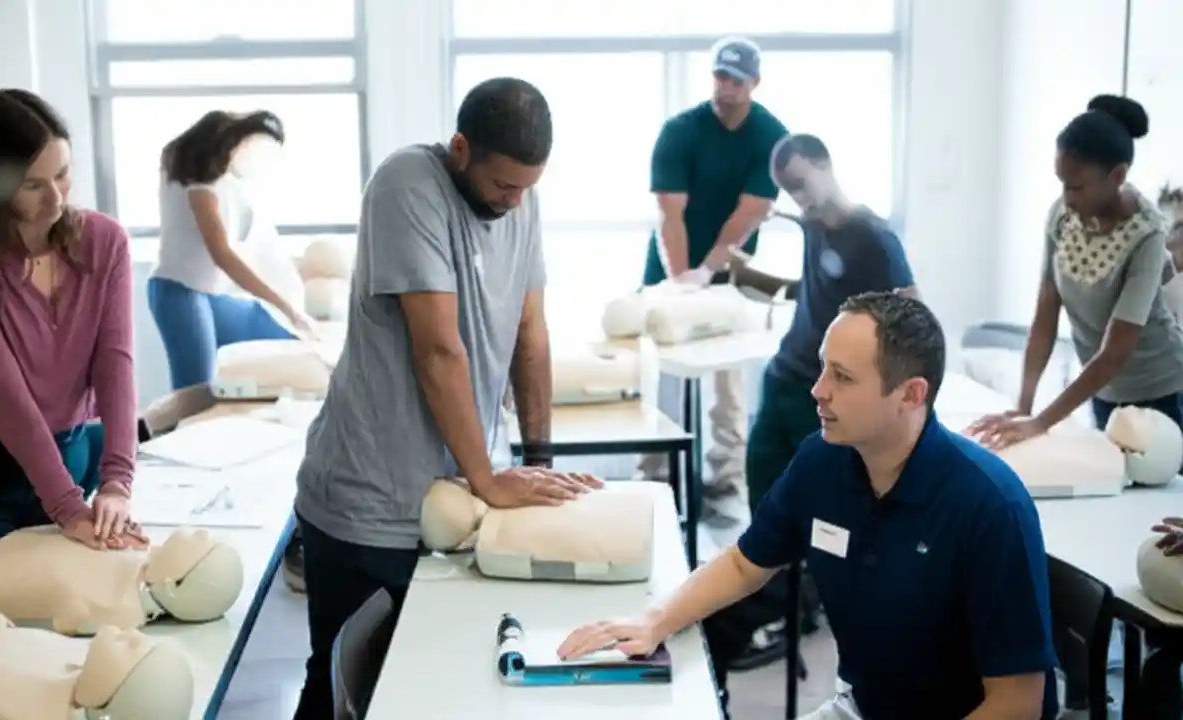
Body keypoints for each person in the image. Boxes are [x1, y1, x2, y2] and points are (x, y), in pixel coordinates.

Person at [559, 292, 1059, 720]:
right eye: (823, 368)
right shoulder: (824, 459)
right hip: (863, 706)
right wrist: (655, 619)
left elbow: (1017, 703)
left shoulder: (989, 506)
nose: (817, 390)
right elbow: (743, 563)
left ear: (910, 394)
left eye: (842, 377)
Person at [289, 77, 602, 718]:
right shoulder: (408, 184)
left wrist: (537, 464)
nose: (514, 202)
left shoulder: (520, 199)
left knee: (445, 686)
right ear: (461, 148)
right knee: (345, 688)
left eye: (526, 188)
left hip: (453, 503)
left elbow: (529, 331)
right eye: (502, 186)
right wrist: (487, 479)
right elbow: (438, 348)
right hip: (368, 505)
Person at [0, 89, 147, 612]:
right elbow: (6, 395)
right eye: (32, 185)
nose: (58, 198)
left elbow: (116, 364)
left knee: (59, 633)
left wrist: (116, 482)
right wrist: (67, 508)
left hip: (70, 453)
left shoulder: (105, 242)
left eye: (63, 173)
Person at [710, 133, 920, 672]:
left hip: (827, 396)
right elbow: (815, 292)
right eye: (788, 190)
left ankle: (799, 608)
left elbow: (914, 322)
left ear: (826, 166)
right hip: (783, 380)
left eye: (802, 184)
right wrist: (748, 276)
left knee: (822, 520)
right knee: (767, 513)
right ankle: (778, 607)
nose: (798, 199)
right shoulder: (809, 226)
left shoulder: (875, 238)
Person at [969, 94, 1183, 449]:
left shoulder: (1146, 235)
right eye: (1062, 182)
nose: (1067, 196)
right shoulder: (1062, 217)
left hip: (1162, 393)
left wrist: (1041, 422)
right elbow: (1044, 319)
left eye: (1077, 186)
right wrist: (1024, 407)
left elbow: (1116, 351)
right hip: (1103, 393)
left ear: (1117, 176)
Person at [636, 36, 789, 505]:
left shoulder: (771, 137)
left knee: (728, 379)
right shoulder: (681, 130)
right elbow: (670, 215)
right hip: (669, 268)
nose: (726, 88)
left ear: (755, 83)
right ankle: (656, 474)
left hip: (729, 273)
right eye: (720, 77)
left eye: (736, 80)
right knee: (662, 374)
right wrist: (682, 279)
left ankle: (726, 477)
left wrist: (709, 272)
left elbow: (747, 216)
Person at [147, 109, 317, 392]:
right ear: (231, 142)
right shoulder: (200, 187)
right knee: (195, 392)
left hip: (206, 295)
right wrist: (287, 307)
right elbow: (222, 255)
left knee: (279, 330)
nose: (250, 159)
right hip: (179, 294)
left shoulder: (204, 178)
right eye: (248, 148)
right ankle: (152, 433)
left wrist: (291, 313)